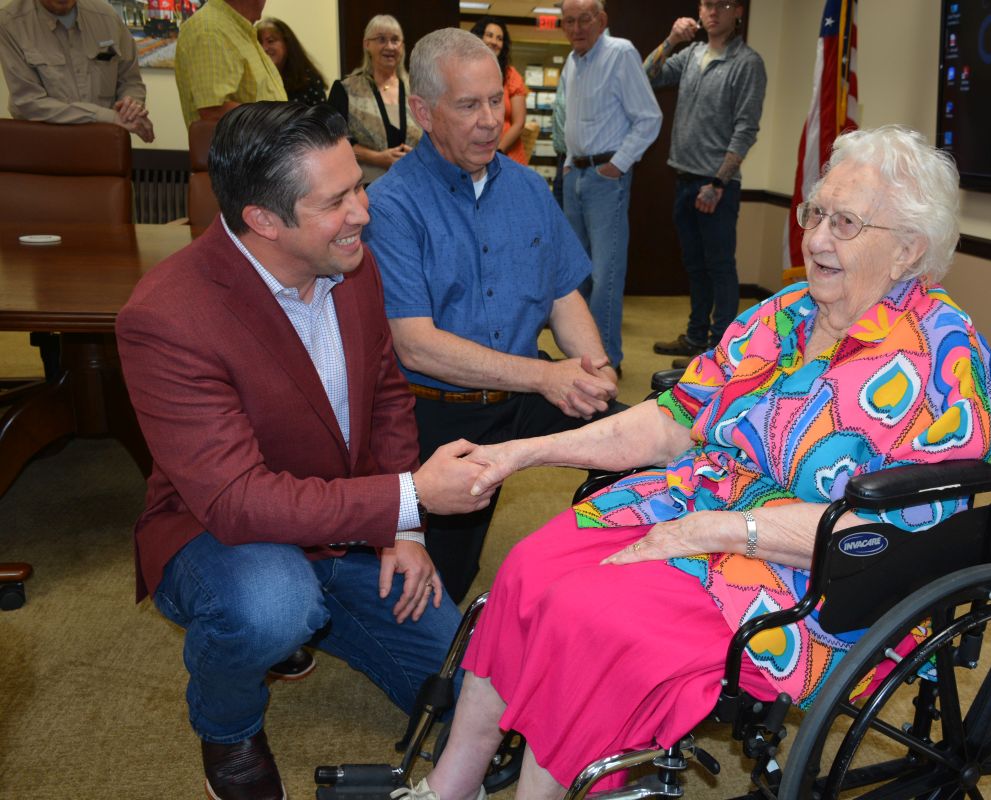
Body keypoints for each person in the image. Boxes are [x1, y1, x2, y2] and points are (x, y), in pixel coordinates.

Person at [394, 125, 991, 800]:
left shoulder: (942, 354)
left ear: (907, 250)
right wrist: (523, 453)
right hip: (700, 500)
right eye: (817, 213)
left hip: (807, 571)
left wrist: (711, 532)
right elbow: (671, 422)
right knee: (530, 568)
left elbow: (893, 526)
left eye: (848, 222)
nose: (819, 238)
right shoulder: (785, 314)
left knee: (594, 624)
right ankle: (454, 785)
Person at [115, 102, 494, 800]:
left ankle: (310, 620)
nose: (364, 212)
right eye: (337, 200)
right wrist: (409, 498)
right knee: (270, 604)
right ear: (263, 220)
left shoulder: (352, 263)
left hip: (343, 527)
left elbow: (385, 395)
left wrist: (403, 531)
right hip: (218, 535)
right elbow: (236, 502)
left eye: (359, 186)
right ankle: (228, 724)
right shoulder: (166, 317)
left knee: (474, 689)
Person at [362, 28, 620, 604]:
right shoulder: (392, 205)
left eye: (494, 101)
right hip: (437, 417)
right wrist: (548, 376)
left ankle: (601, 595)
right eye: (468, 105)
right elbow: (417, 346)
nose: (489, 121)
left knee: (640, 447)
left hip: (521, 398)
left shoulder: (528, 188)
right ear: (424, 112)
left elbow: (561, 296)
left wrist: (592, 369)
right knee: (437, 594)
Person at [645, 0, 767, 368]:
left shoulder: (748, 63)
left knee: (720, 267)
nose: (713, 11)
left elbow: (746, 128)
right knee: (694, 266)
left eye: (724, 4)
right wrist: (670, 41)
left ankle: (721, 350)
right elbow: (645, 76)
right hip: (683, 178)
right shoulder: (692, 54)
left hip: (716, 185)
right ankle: (696, 337)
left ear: (738, 13)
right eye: (707, 4)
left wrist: (718, 182)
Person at [558, 0, 662, 375]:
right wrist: (570, 162)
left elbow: (649, 118)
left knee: (605, 275)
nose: (576, 28)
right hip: (576, 176)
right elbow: (574, 120)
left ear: (601, 20)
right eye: (568, 21)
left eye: (584, 19)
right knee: (576, 274)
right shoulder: (572, 62)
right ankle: (582, 356)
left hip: (605, 179)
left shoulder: (620, 54)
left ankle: (606, 362)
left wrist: (616, 166)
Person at [0, 0, 154, 142]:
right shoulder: (10, 23)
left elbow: (131, 81)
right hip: (41, 150)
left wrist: (130, 107)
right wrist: (107, 117)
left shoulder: (106, 16)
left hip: (103, 146)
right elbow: (28, 102)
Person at [328, 15, 422, 185]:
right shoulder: (346, 89)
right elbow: (333, 141)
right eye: (381, 39)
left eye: (395, 40)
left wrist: (419, 153)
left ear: (403, 46)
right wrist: (378, 158)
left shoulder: (418, 90)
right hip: (365, 189)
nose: (389, 46)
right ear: (367, 45)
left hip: (413, 186)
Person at [174, 0, 285, 127]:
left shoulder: (235, 29)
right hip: (245, 146)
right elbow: (213, 112)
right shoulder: (210, 30)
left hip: (260, 143)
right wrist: (282, 120)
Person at [468, 16, 528, 165]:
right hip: (472, 155)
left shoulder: (510, 75)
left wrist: (497, 151)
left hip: (506, 155)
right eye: (489, 35)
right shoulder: (465, 73)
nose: (494, 42)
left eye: (499, 38)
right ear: (478, 38)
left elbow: (519, 123)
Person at [255, 16, 326, 106]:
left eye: (271, 41)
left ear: (287, 43)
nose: (264, 48)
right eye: (259, 43)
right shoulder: (252, 79)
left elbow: (322, 117)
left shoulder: (308, 79)